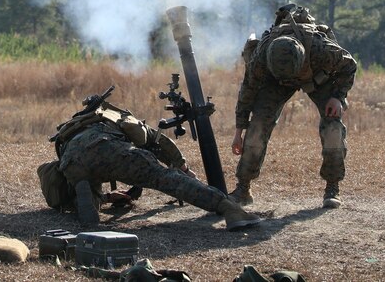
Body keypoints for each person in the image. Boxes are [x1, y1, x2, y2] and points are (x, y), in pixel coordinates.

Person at [46, 92, 262, 232]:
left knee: (85, 192)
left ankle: (90, 223)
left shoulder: (72, 126)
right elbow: (157, 140)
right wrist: (183, 168)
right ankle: (229, 209)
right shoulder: (112, 117)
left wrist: (107, 197)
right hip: (106, 146)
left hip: (71, 161)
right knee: (164, 178)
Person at [230, 3, 357, 209]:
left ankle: (332, 187)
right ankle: (243, 189)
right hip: (275, 82)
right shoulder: (261, 57)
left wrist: (338, 97)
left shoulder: (320, 49)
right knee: (258, 126)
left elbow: (349, 65)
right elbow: (248, 92)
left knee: (333, 126)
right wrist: (239, 132)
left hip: (317, 76)